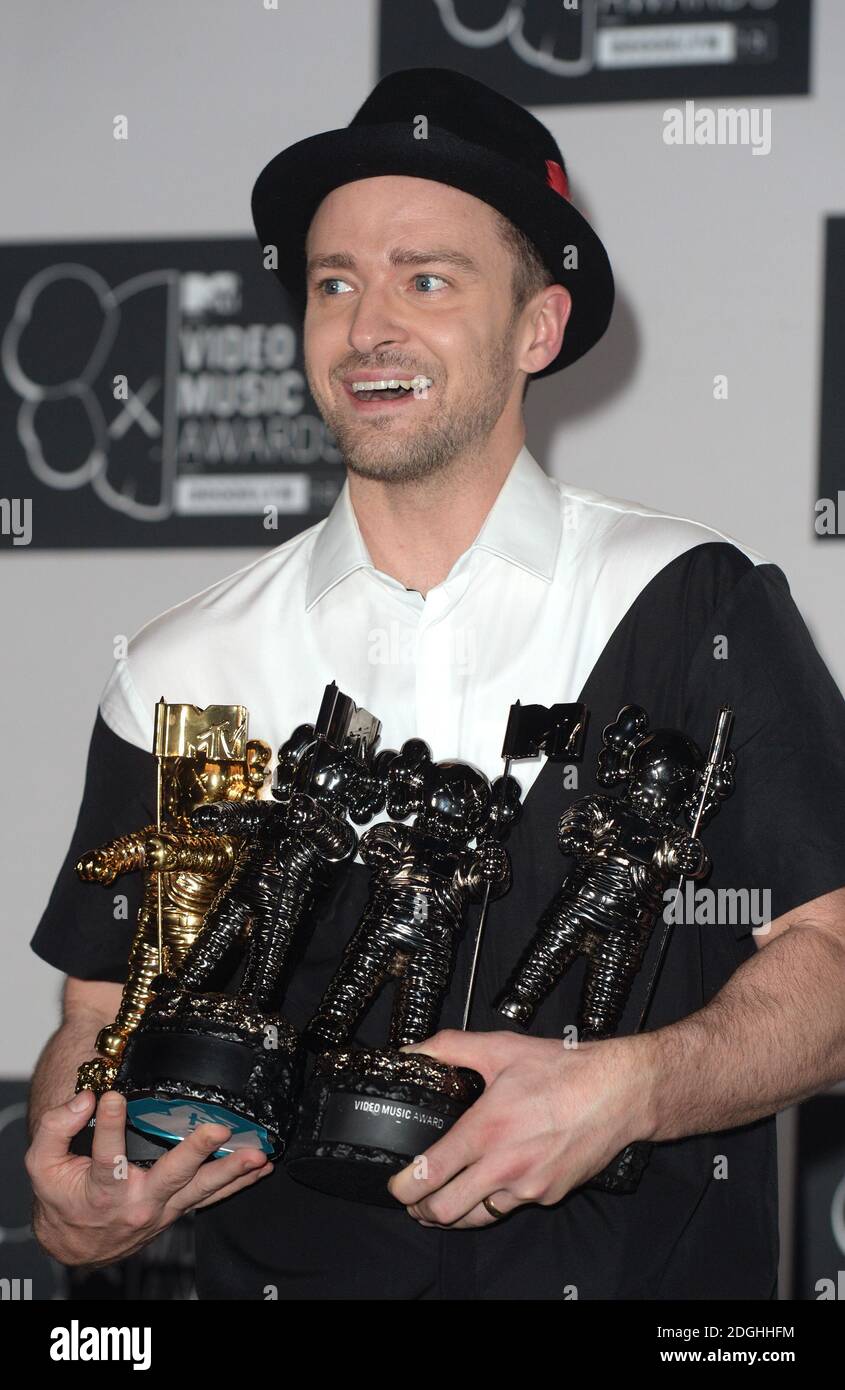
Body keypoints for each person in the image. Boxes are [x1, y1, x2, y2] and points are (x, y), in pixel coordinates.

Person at [25, 67, 845, 1300]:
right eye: (333, 283)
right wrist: (82, 1171)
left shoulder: (689, 604)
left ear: (537, 328)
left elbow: (829, 957)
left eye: (427, 279)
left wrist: (628, 1089)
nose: (367, 328)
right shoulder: (181, 666)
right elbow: (98, 1008)